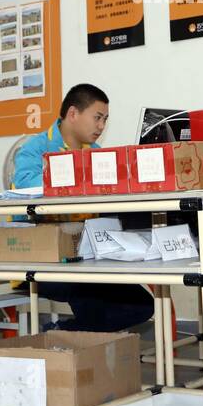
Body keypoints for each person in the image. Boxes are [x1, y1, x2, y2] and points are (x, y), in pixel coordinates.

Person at [12, 84, 154, 332]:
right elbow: (25, 187)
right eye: (97, 118)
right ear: (73, 114)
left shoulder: (97, 153)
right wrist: (77, 178)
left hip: (88, 257)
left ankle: (64, 333)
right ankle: (67, 339)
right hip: (46, 261)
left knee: (142, 305)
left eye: (105, 120)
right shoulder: (35, 149)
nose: (101, 126)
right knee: (102, 302)